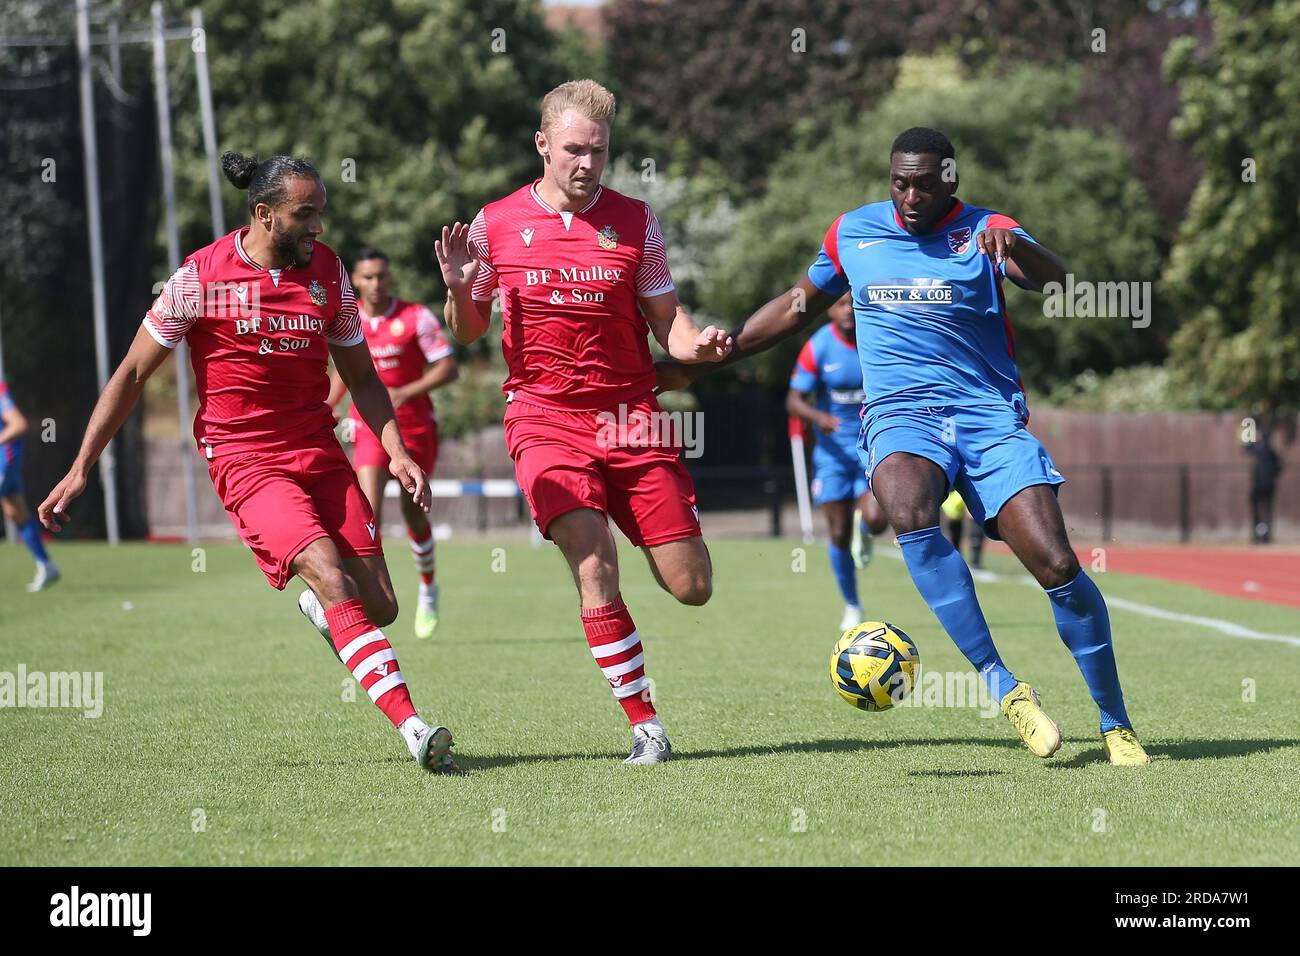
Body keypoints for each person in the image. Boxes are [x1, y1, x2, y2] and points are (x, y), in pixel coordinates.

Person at [659, 127, 1148, 766]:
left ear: (951, 179)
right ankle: (1006, 689)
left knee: (1057, 566)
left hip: (988, 419)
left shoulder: (986, 228)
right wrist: (710, 358)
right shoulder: (854, 233)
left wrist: (1018, 243)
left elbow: (1052, 278)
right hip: (900, 417)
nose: (910, 194)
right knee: (909, 512)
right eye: (900, 181)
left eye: (923, 182)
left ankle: (1115, 725)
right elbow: (797, 305)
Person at [38, 152, 455, 772]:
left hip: (317, 446)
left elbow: (362, 377)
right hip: (245, 459)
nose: (318, 227)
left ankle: (324, 608)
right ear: (264, 214)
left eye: (321, 213)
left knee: (382, 607)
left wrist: (396, 451)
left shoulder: (329, 273)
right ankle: (414, 728)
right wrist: (81, 466)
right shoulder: (198, 278)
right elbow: (130, 373)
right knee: (327, 570)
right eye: (304, 214)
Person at [435, 79, 732, 765]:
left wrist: (700, 347)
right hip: (542, 418)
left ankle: (659, 553)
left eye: (599, 151)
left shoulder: (636, 221)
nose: (587, 163)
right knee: (592, 555)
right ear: (543, 145)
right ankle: (645, 725)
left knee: (692, 586)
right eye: (574, 148)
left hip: (633, 418)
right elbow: (470, 330)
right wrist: (458, 289)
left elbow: (670, 324)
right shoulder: (495, 223)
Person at [328, 248, 458, 637]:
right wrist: (326, 406)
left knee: (414, 513)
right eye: (367, 277)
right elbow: (344, 373)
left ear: (389, 278)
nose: (375, 284)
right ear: (354, 279)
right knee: (367, 510)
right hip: (370, 426)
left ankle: (428, 587)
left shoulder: (415, 316)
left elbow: (448, 366)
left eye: (381, 276)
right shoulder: (346, 318)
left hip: (416, 429)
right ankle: (372, 599)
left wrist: (407, 391)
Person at [786, 293, 887, 631]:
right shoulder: (818, 346)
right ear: (829, 308)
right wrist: (818, 418)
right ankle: (852, 605)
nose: (848, 310)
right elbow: (794, 400)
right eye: (840, 304)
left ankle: (866, 531)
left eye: (853, 303)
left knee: (876, 520)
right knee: (838, 532)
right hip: (833, 456)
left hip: (872, 448)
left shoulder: (878, 336)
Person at [0, 379, 60, 591]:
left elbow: (18, 424)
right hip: (7, 460)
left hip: (4, 459)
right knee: (15, 512)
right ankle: (46, 564)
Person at [1245, 427, 1283, 544]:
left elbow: (1279, 465)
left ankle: (1266, 536)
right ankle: (1256, 534)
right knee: (1256, 509)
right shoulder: (1255, 449)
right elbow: (1246, 448)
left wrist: (1271, 475)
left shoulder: (1269, 451)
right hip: (1257, 485)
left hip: (1267, 485)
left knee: (1267, 509)